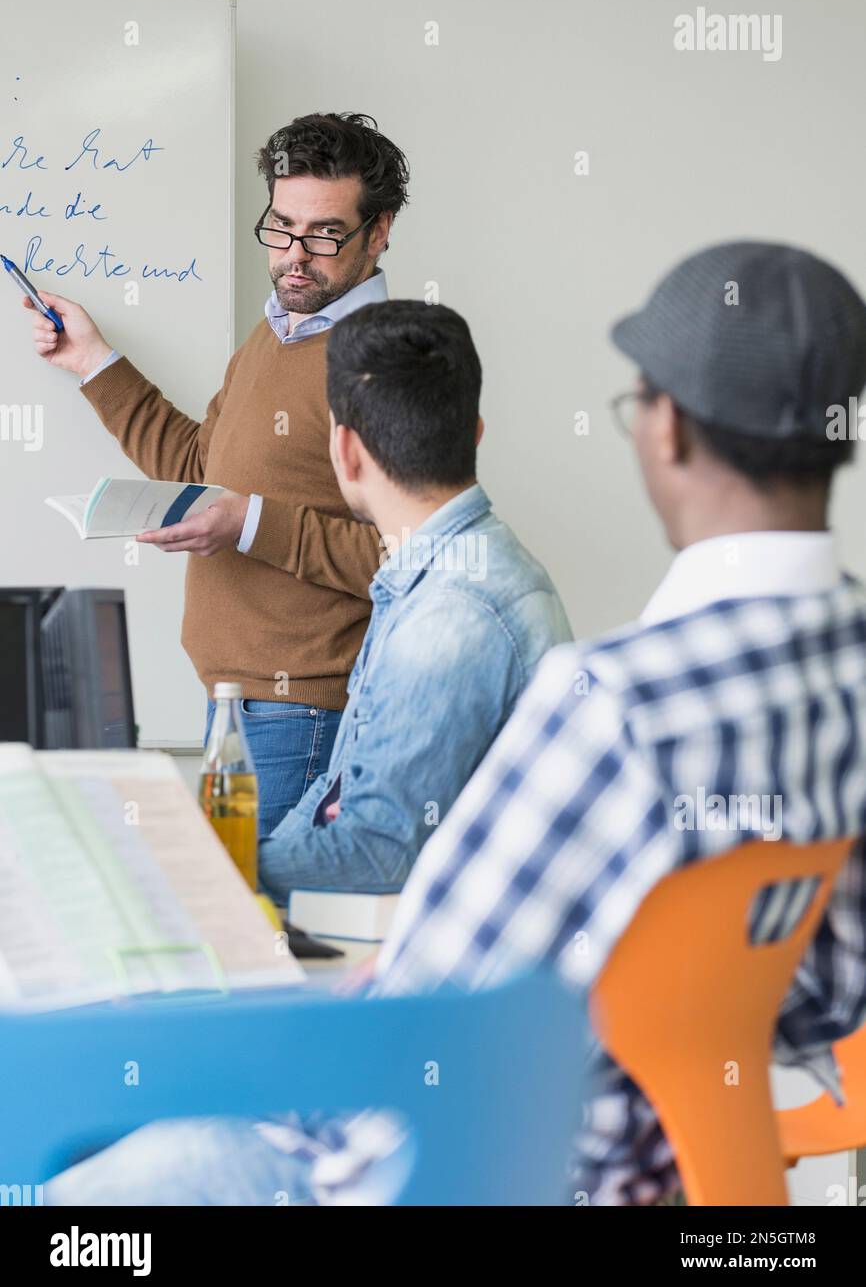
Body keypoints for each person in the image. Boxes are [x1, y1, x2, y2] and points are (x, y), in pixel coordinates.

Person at [47, 240, 866, 1208]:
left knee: (71, 1181)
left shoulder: (611, 706)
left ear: (668, 433)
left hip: (455, 1164)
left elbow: (417, 1039)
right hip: (651, 1157)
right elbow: (819, 995)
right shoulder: (836, 668)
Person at [26, 112, 408, 837]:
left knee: (257, 926)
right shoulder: (274, 334)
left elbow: (407, 555)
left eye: (324, 233)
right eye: (281, 226)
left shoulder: (383, 362)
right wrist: (91, 361)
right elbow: (202, 470)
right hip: (232, 700)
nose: (295, 255)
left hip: (302, 714)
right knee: (235, 920)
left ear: (378, 231)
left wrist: (250, 523)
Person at [257, 299, 572, 898]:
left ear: (345, 450)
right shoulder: (437, 572)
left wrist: (197, 873)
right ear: (475, 433)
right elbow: (336, 792)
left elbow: (376, 854)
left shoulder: (452, 614)